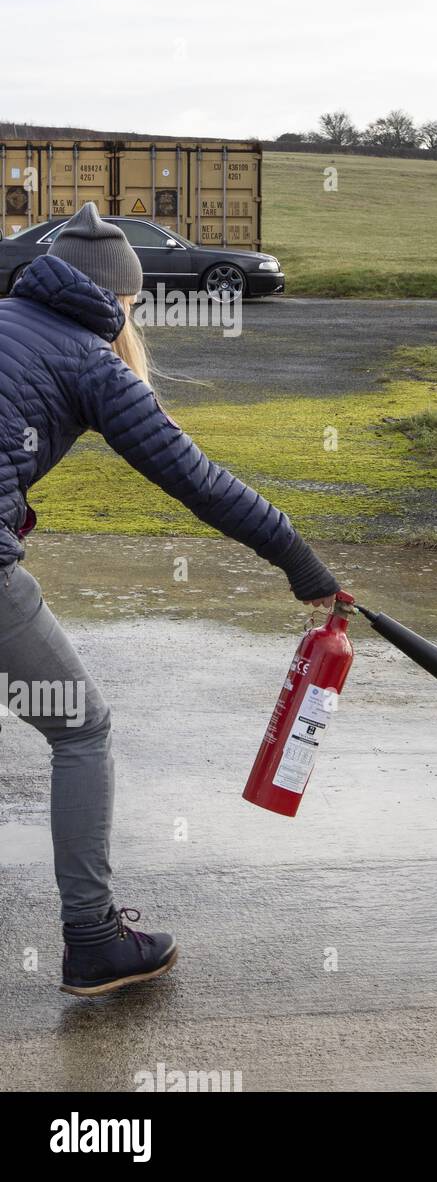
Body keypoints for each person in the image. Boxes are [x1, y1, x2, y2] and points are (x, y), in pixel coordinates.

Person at [0, 202, 339, 996]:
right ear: (118, 298)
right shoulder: (91, 360)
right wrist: (300, 563)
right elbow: (202, 483)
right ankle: (93, 941)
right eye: (133, 301)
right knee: (80, 729)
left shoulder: (11, 320)